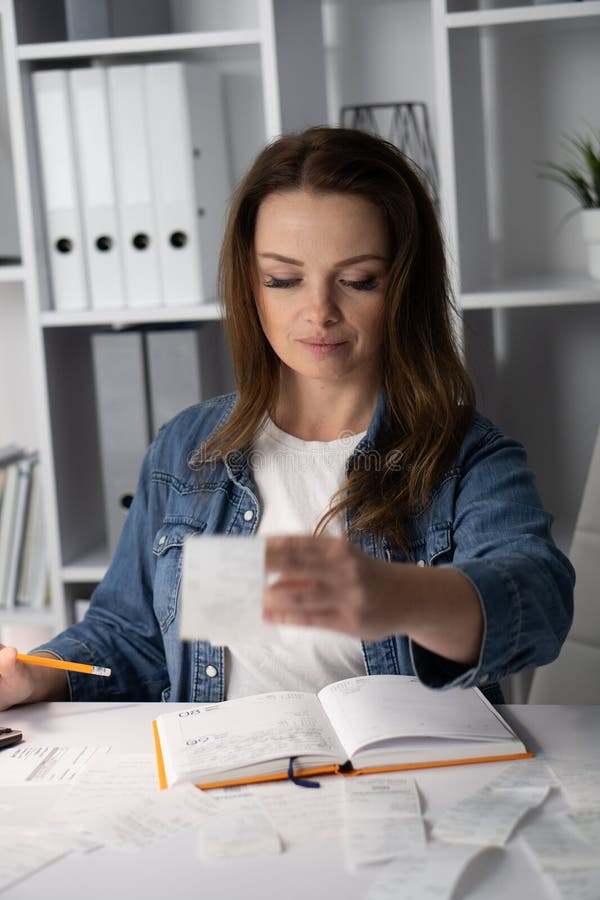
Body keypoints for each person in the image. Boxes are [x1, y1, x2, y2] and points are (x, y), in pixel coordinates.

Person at [0, 126, 574, 710]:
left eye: (358, 281)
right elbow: (129, 636)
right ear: (251, 286)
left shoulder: (463, 456)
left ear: (403, 287)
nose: (319, 311)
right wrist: (34, 674)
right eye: (284, 280)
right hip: (226, 763)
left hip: (402, 765)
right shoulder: (188, 451)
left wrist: (400, 596)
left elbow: (539, 602)